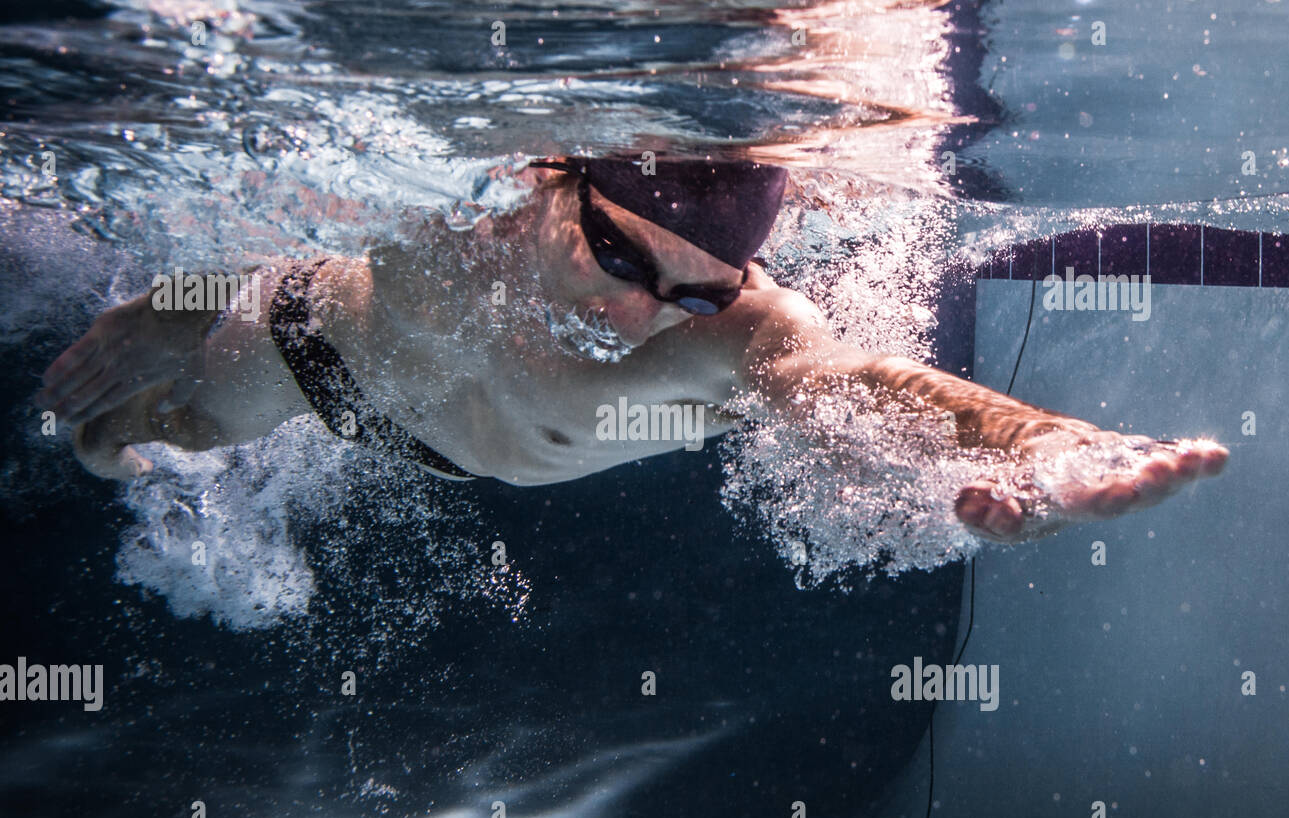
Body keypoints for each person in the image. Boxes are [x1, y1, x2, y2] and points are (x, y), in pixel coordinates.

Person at [36, 155, 1226, 543]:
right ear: (559, 183)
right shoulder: (449, 198)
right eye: (619, 263)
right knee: (129, 434)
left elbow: (850, 388)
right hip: (326, 357)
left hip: (452, 453)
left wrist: (1049, 443)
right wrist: (174, 309)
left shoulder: (750, 334)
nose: (639, 317)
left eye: (693, 297)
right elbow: (259, 231)